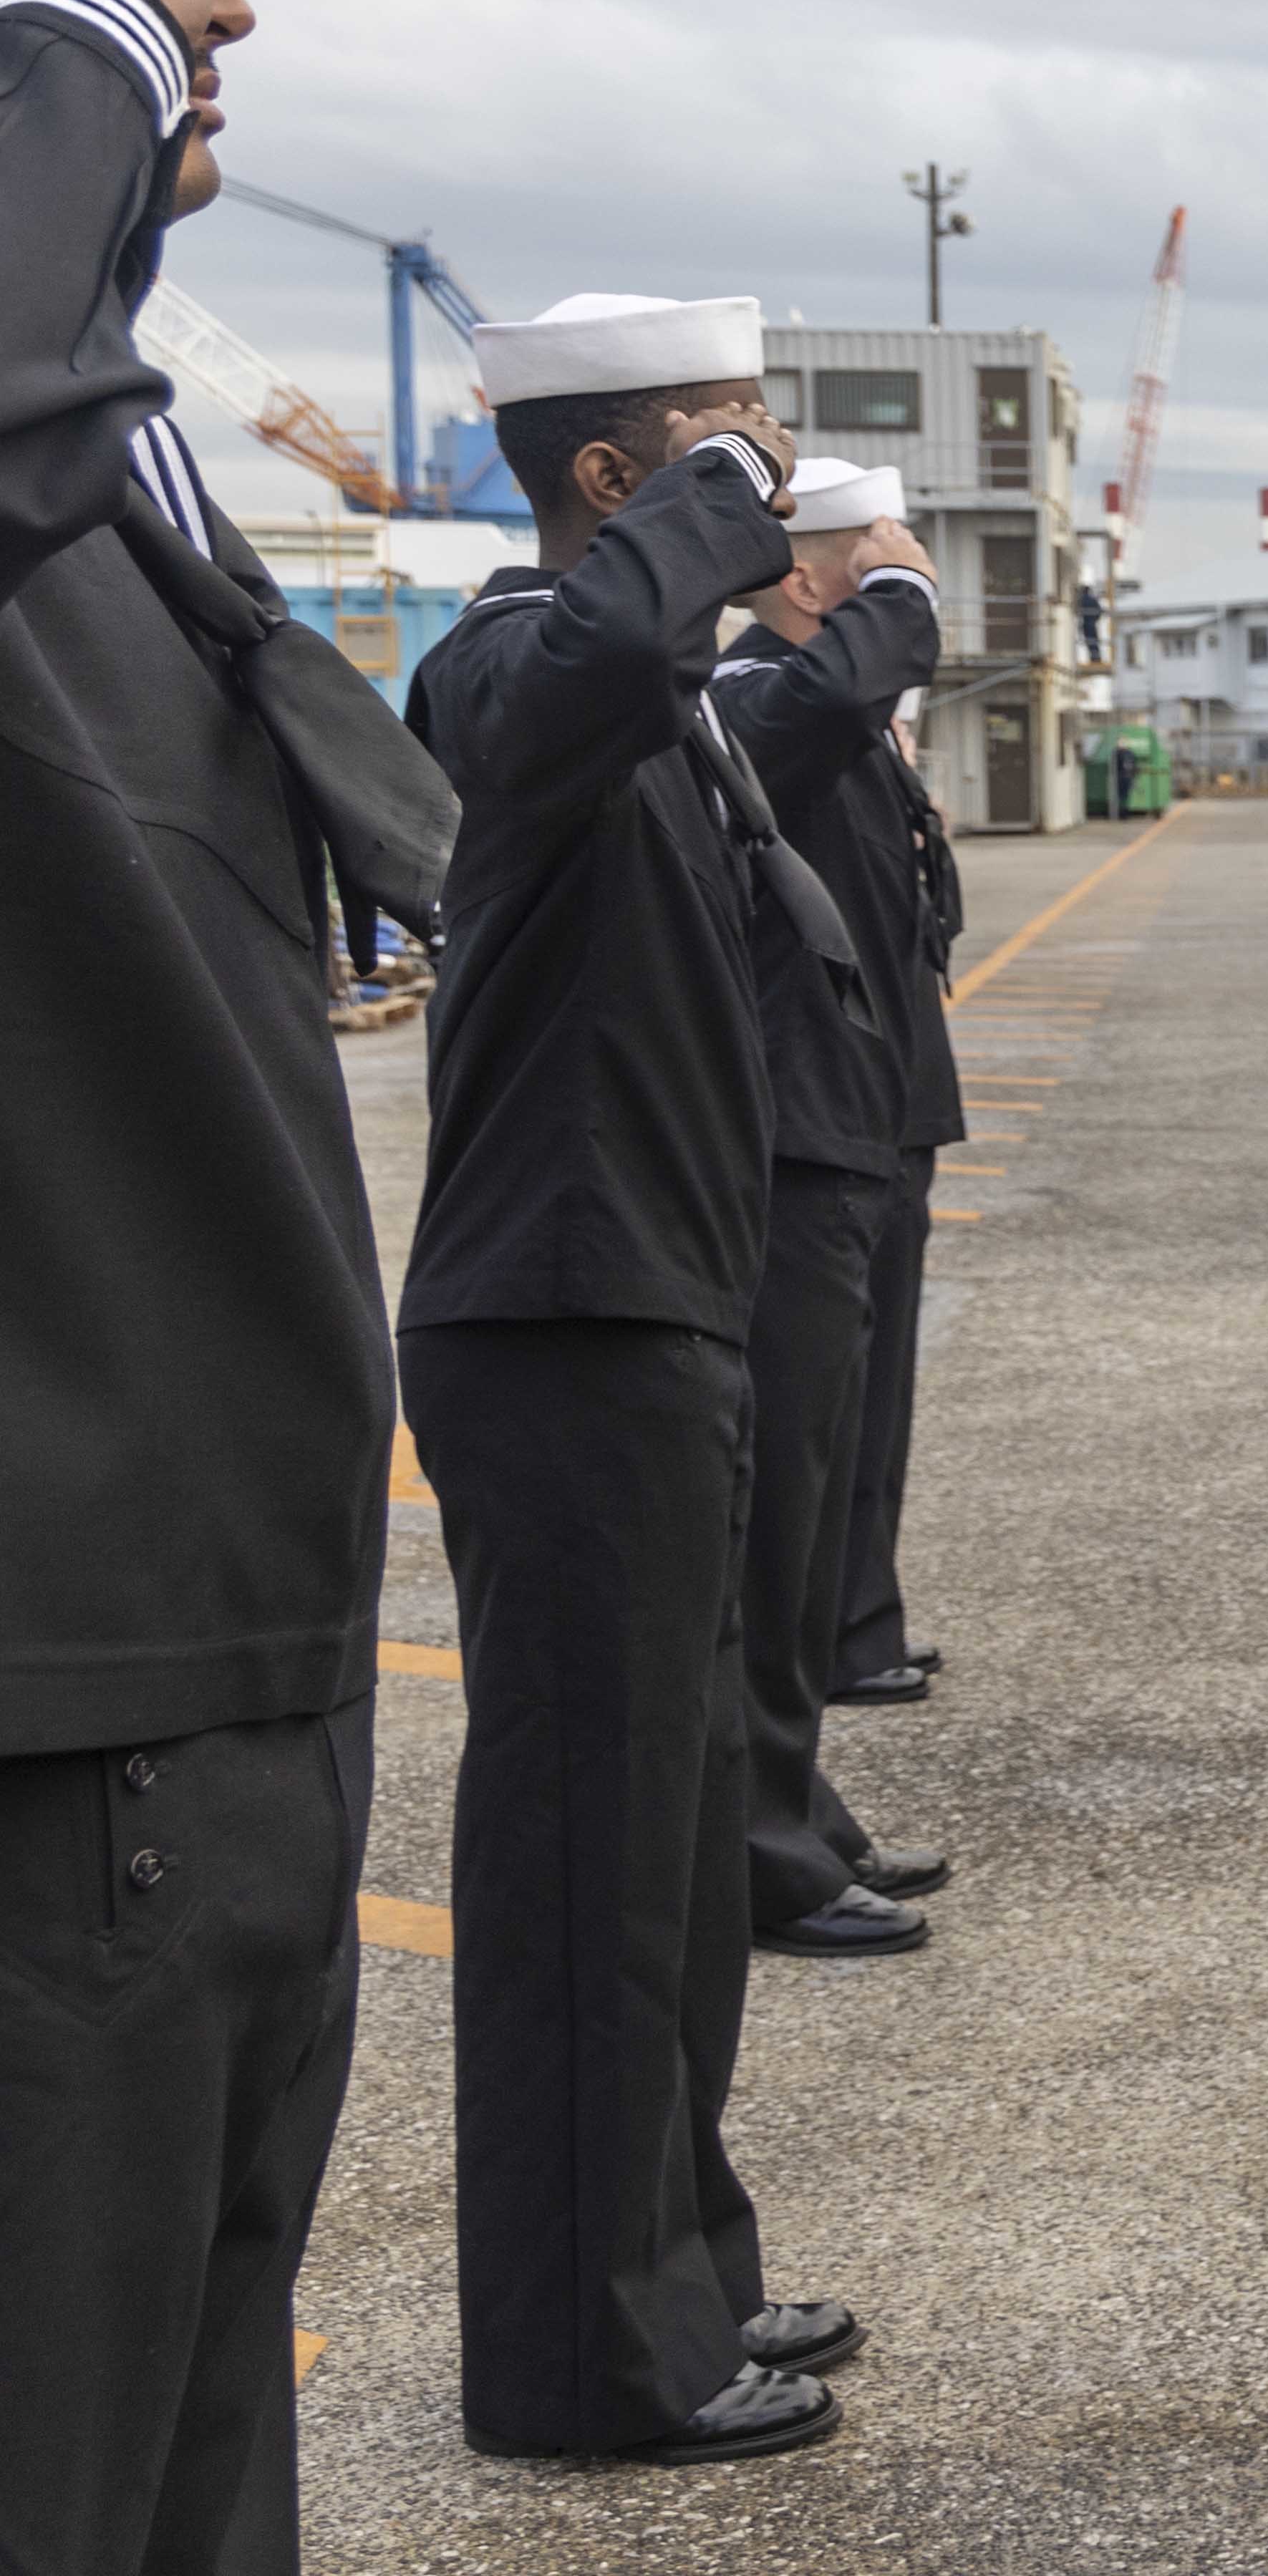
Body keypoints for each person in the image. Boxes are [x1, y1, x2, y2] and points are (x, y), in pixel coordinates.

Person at [0, 0, 443, 2573]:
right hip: (68, 1700)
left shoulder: (120, 472)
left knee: (192, 2445)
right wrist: (81, 35)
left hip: (232, 1643)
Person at [402, 291, 868, 2465]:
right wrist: (697, 511)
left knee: (671, 1861)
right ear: (615, 483)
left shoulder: (663, 704)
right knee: (591, 1862)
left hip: (661, 1311)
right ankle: (591, 2353)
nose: (766, 465)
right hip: (569, 1328)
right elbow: (558, 674)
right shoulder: (514, 657)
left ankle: (686, 2267)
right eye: (717, 438)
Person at [712, 457, 954, 1956]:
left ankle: (799, 1805)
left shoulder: (813, 705)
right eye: (874, 550)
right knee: (774, 1521)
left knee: (814, 1506)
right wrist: (902, 593)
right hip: (794, 1145)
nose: (901, 569)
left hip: (856, 1128)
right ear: (812, 579)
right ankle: (761, 1838)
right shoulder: (753, 699)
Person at [829, 682, 962, 1710]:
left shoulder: (864, 742)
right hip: (854, 1110)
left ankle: (866, 1614)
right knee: (843, 1395)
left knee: (880, 1398)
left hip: (897, 1104)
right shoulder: (797, 724)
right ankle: (841, 1629)